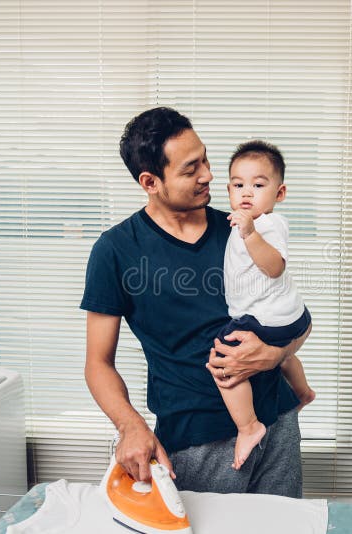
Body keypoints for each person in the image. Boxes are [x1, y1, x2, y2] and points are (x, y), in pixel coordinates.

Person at [81, 107, 311, 498]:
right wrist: (130, 425)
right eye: (191, 169)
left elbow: (297, 318)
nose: (208, 175)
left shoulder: (243, 229)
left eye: (204, 159)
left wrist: (275, 354)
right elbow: (97, 363)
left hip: (278, 424)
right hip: (196, 444)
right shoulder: (116, 250)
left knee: (284, 525)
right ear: (151, 182)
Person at [218, 140, 315, 470]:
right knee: (285, 357)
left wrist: (250, 234)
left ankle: (249, 427)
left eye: (258, 185)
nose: (247, 192)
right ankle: (303, 392)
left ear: (280, 193)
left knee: (223, 364)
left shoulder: (268, 224)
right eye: (238, 185)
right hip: (291, 314)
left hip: (268, 318)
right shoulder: (242, 222)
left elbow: (274, 267)